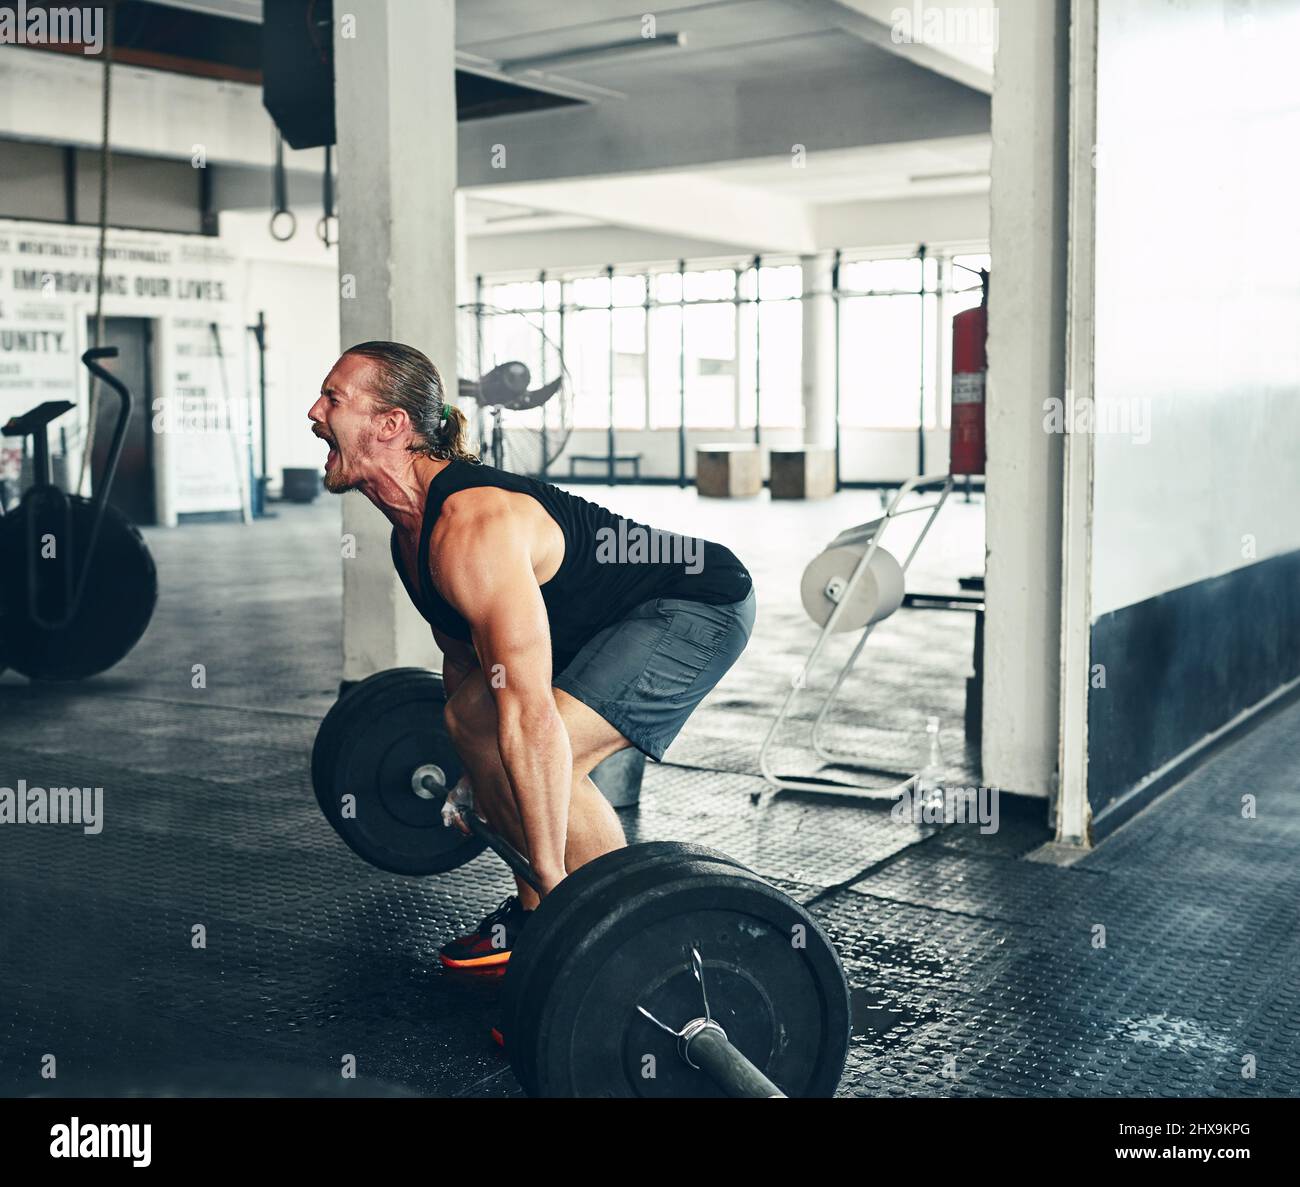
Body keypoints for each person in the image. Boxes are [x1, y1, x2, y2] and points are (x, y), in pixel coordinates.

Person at [309, 340, 755, 969]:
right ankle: (534, 921)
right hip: (611, 621)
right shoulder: (410, 536)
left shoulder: (473, 528)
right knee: (469, 721)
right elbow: (468, 672)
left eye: (333, 398)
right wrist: (477, 774)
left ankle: (618, 954)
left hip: (694, 603)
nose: (313, 411)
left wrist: (550, 875)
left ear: (391, 425)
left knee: (547, 767)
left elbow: (529, 719)